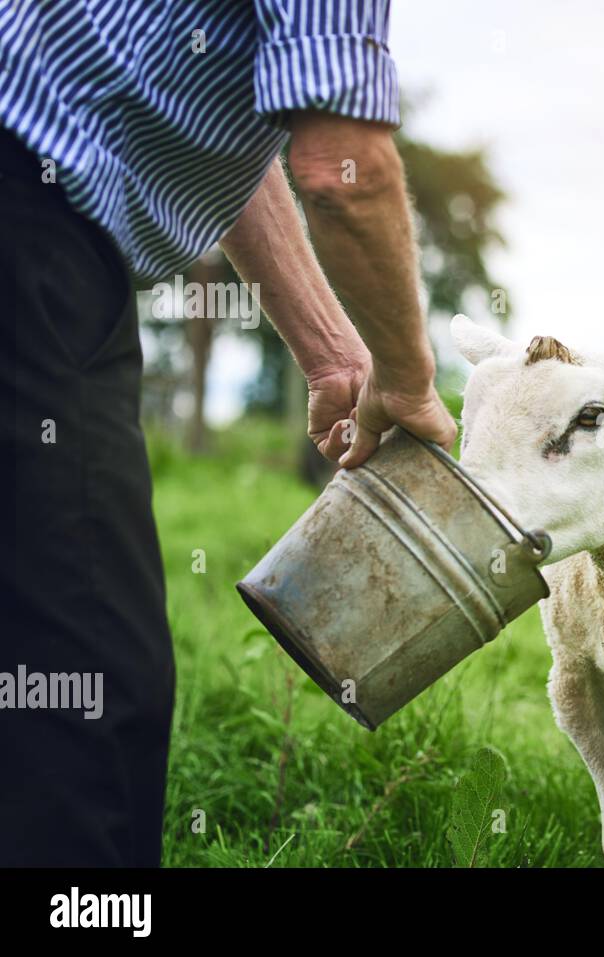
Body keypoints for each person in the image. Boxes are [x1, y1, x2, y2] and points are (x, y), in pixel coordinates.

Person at [0, 0, 456, 866]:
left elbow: (227, 136)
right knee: (85, 693)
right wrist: (408, 377)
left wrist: (335, 355)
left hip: (48, 218)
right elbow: (339, 167)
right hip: (30, 218)